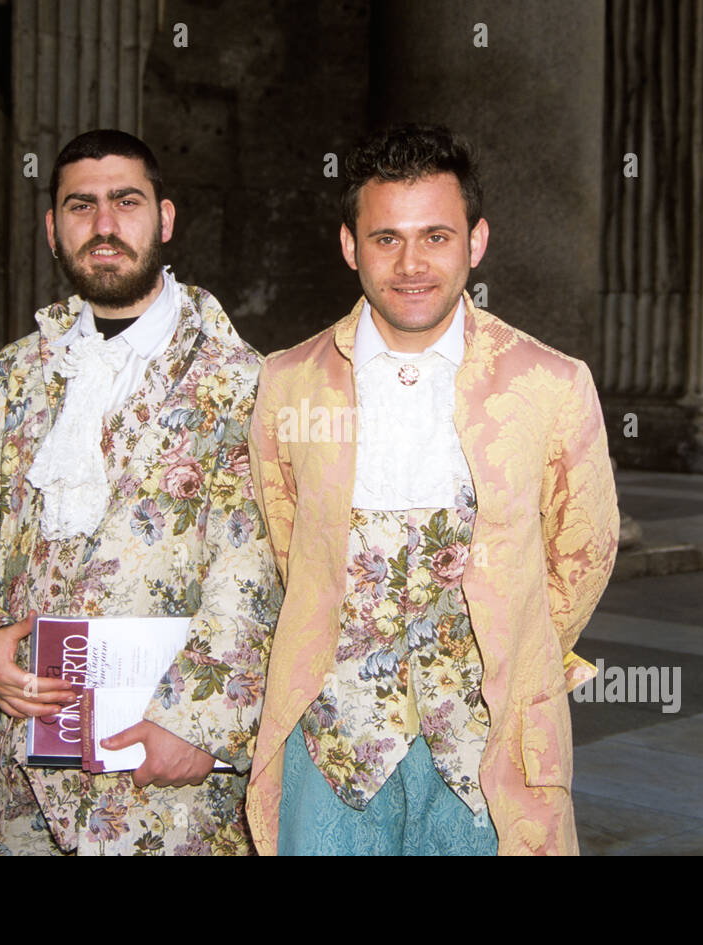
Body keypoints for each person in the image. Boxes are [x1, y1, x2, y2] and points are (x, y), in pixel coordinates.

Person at [246, 124, 619, 855]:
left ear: (475, 242)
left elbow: (584, 552)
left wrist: (508, 645)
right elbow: (287, 541)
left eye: (436, 236)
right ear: (351, 246)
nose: (411, 263)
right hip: (331, 740)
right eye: (386, 239)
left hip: (489, 746)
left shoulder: (553, 383)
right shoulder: (287, 380)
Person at [0, 129, 281, 855]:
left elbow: (253, 569)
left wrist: (200, 727)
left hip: (156, 765)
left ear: (165, 218)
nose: (105, 225)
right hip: (10, 749)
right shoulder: (19, 370)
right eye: (81, 206)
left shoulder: (242, 380)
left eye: (126, 201)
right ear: (53, 229)